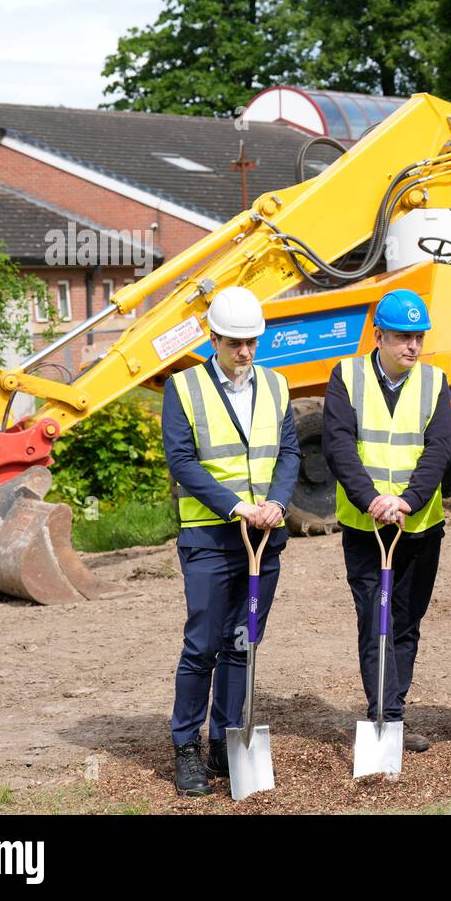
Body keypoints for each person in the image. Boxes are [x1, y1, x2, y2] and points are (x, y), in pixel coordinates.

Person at [162, 286, 301, 797]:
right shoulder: (184, 389)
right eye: (235, 342)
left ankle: (225, 739)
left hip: (265, 537)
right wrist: (236, 506)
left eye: (252, 342)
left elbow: (289, 453)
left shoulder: (277, 385)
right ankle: (186, 746)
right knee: (202, 644)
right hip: (209, 537)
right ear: (213, 338)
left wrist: (278, 504)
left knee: (242, 643)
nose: (245, 352)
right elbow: (182, 462)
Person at [322, 289, 451, 755]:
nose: (412, 347)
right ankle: (385, 714)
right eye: (402, 337)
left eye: (418, 338)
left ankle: (392, 709)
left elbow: (439, 449)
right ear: (378, 335)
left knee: (405, 621)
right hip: (366, 525)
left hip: (419, 526)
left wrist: (410, 501)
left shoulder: (436, 383)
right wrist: (373, 500)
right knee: (373, 618)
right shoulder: (347, 376)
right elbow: (338, 445)